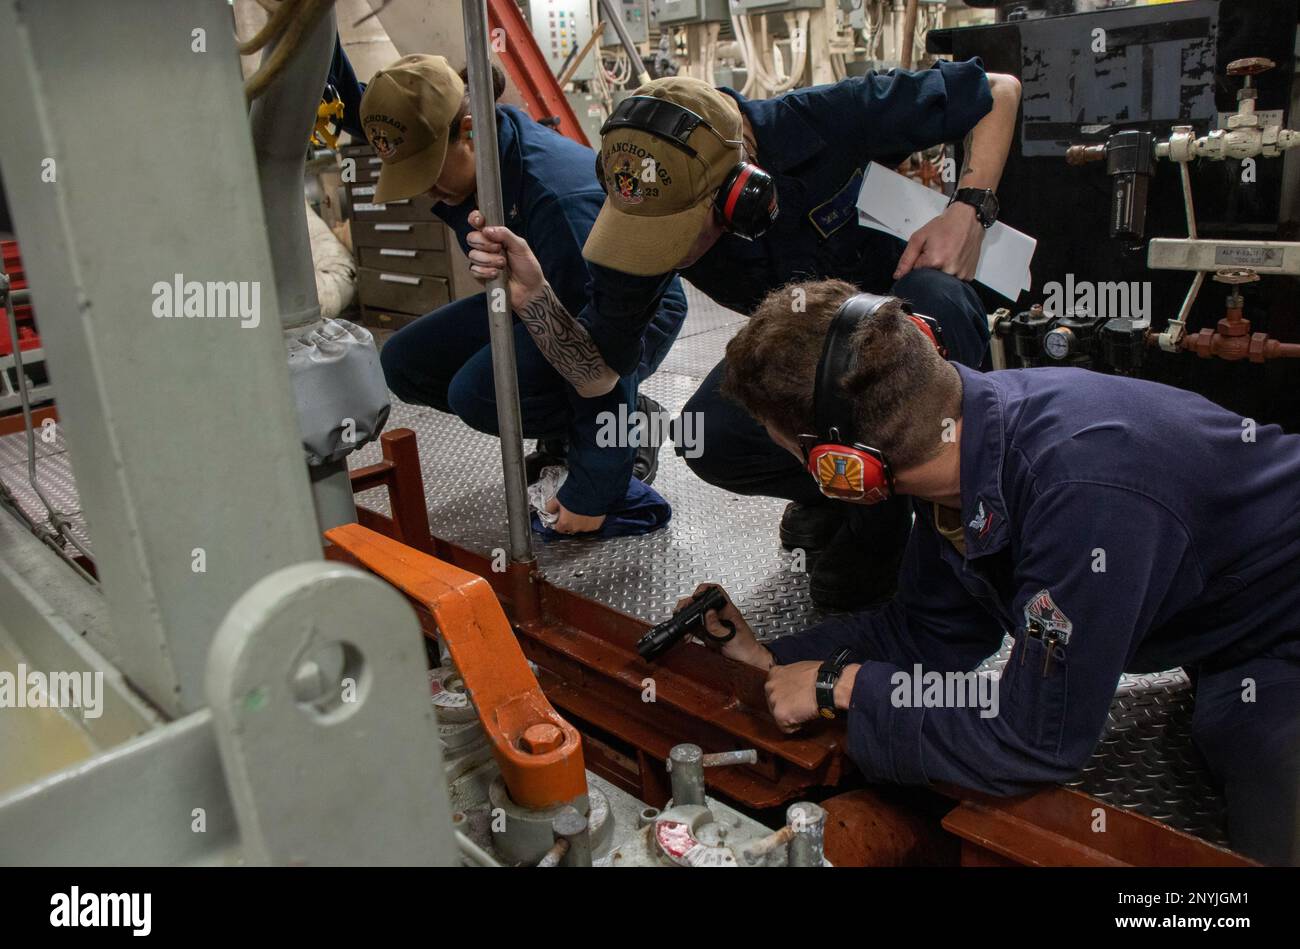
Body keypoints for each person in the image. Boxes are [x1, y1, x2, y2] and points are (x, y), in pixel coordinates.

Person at [679, 278, 1300, 866]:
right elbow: (929, 632)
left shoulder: (1082, 495)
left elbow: (1034, 742)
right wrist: (771, 660)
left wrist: (842, 687)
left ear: (843, 465)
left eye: (784, 448)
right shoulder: (966, 442)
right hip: (1230, 634)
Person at [566, 63, 1021, 607]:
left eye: (679, 234)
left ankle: (939, 519)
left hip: (906, 312)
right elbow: (603, 362)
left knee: (938, 302)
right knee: (709, 434)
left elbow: (998, 91)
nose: (665, 254)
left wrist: (970, 209)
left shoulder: (825, 117)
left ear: (741, 192)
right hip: (809, 346)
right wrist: (535, 300)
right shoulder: (643, 205)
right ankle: (851, 497)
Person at [346, 55, 688, 533]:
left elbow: (598, 351)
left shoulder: (558, 201)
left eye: (429, 171)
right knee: (406, 361)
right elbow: (362, 108)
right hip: (536, 292)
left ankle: (631, 427)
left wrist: (593, 494)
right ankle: (567, 428)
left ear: (468, 130)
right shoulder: (465, 153)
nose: (425, 191)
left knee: (480, 393)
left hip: (627, 313)